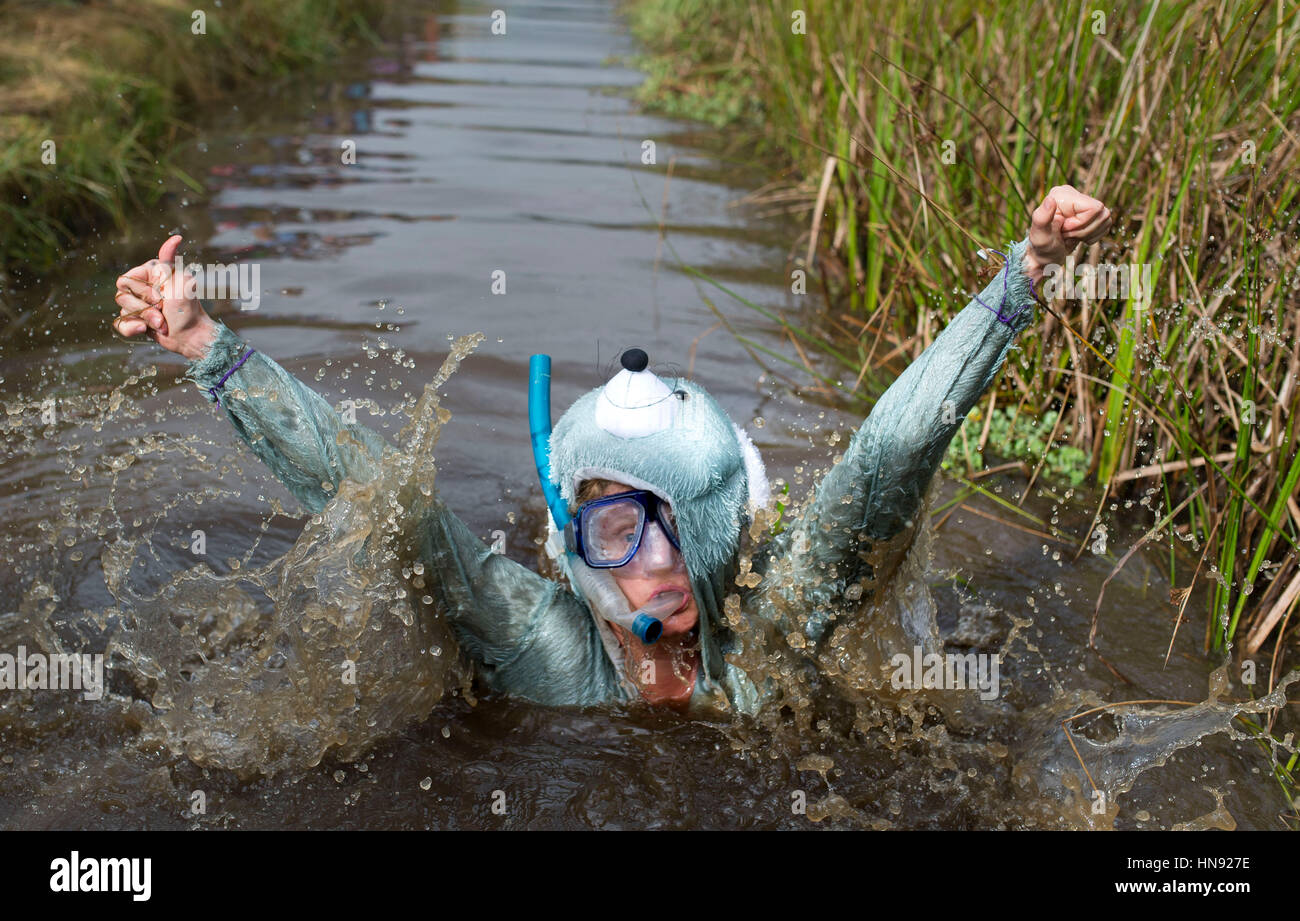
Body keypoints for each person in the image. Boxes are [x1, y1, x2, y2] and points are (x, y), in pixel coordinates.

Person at [112, 185, 1112, 717]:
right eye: (620, 529)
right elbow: (379, 495)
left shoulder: (776, 629)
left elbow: (887, 458)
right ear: (574, 547)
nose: (660, 563)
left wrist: (1026, 276)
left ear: (728, 527)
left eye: (682, 524)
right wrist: (210, 348)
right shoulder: (535, 640)